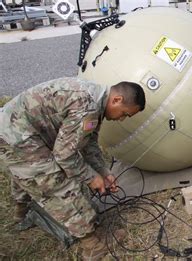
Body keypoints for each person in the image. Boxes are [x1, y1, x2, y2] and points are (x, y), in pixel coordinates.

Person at [0, 77, 146, 259]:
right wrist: (92, 178)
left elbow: (88, 143)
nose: (122, 119)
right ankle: (91, 245)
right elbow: (64, 156)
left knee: (31, 173)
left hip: (20, 129)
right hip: (16, 137)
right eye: (124, 113)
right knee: (57, 184)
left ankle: (21, 213)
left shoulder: (95, 97)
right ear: (117, 100)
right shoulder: (88, 107)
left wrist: (103, 172)